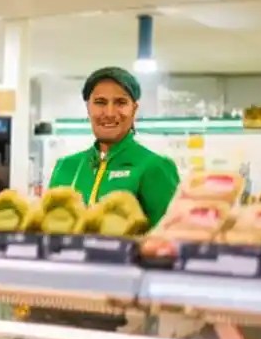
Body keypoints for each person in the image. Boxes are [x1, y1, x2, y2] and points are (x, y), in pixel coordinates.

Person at [48, 66, 180, 226]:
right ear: (88, 108)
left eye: (121, 102)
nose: (110, 113)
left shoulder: (155, 166)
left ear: (134, 109)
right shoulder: (66, 166)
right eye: (100, 102)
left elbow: (170, 238)